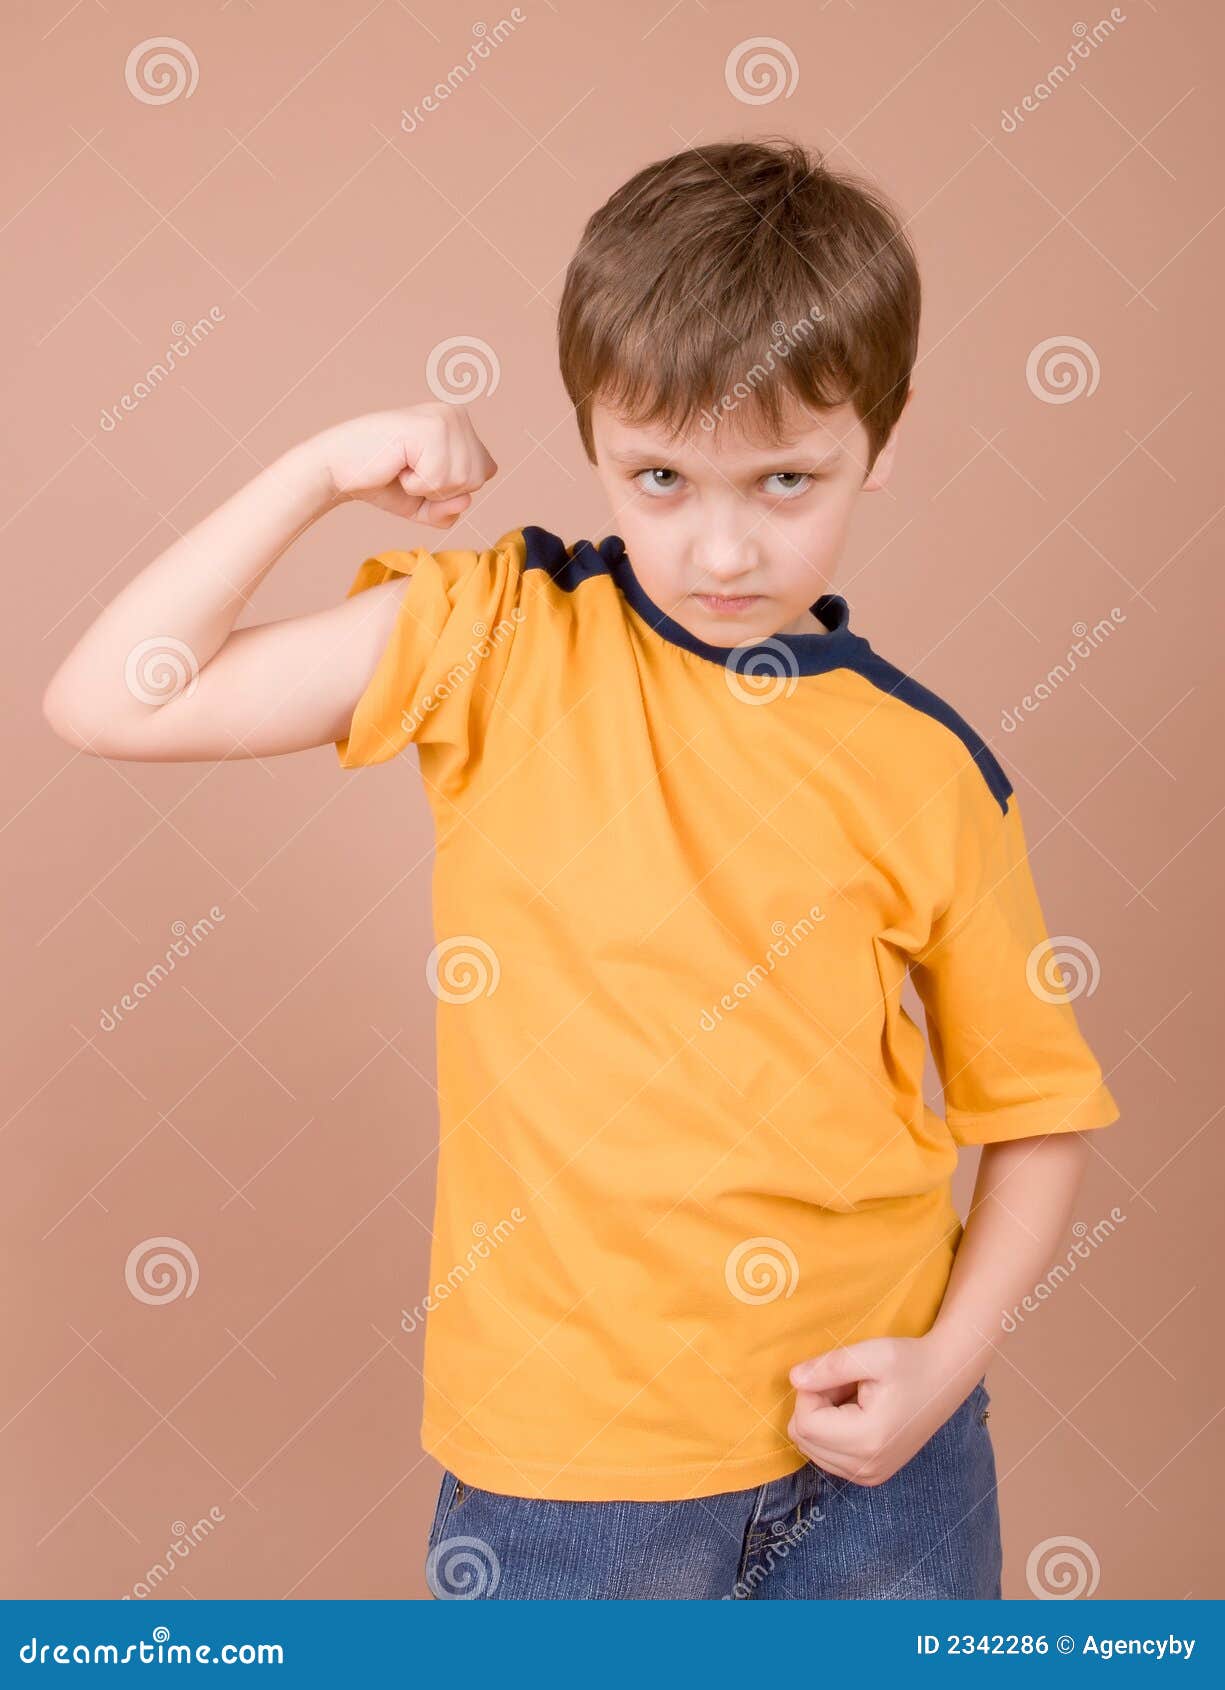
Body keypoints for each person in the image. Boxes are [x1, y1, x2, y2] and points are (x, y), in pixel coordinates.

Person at [42, 138, 1120, 1600]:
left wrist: (942, 1365)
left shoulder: (926, 764)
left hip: (886, 1454)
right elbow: (116, 698)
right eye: (658, 476)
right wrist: (321, 472)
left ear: (885, 433)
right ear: (590, 433)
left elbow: (1037, 1112)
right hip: (570, 1472)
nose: (721, 543)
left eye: (787, 478)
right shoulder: (492, 636)